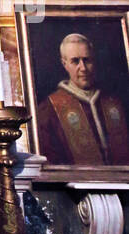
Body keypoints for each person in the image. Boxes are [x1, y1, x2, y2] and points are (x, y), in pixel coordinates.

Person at [36, 33, 129, 165]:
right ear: (64, 64)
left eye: (87, 60)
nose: (83, 68)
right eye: (75, 61)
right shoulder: (49, 109)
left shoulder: (114, 102)